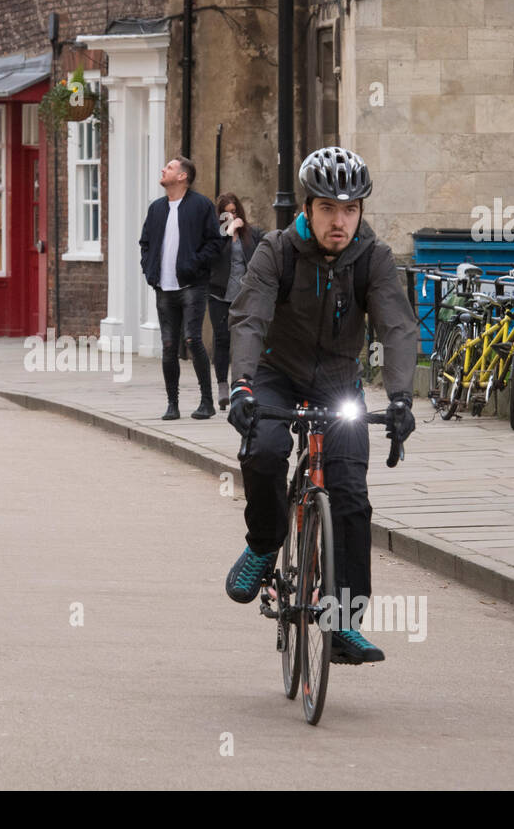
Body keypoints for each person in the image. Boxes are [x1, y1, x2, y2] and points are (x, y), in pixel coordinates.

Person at [224, 147, 418, 664]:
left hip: (338, 382)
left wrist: (400, 398)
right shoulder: (276, 252)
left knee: (351, 496)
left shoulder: (372, 259)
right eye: (329, 207)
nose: (341, 220)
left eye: (351, 209)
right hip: (275, 374)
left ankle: (341, 624)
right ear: (308, 208)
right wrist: (242, 386)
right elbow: (249, 319)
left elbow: (397, 326)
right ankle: (265, 542)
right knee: (264, 451)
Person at [137, 156, 225, 421]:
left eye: (170, 167)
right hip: (164, 288)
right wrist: (149, 269)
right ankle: (172, 404)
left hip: (192, 285)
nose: (163, 169)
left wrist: (193, 264)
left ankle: (206, 402)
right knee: (168, 345)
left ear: (182, 176)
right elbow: (145, 243)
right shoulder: (156, 209)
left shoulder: (201, 206)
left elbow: (215, 242)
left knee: (192, 339)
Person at [209, 193, 262, 411]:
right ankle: (222, 387)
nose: (232, 215)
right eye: (227, 212)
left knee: (244, 342)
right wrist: (226, 234)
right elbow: (211, 258)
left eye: (234, 211)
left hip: (245, 297)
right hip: (219, 296)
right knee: (222, 340)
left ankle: (239, 386)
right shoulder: (214, 236)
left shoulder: (252, 234)